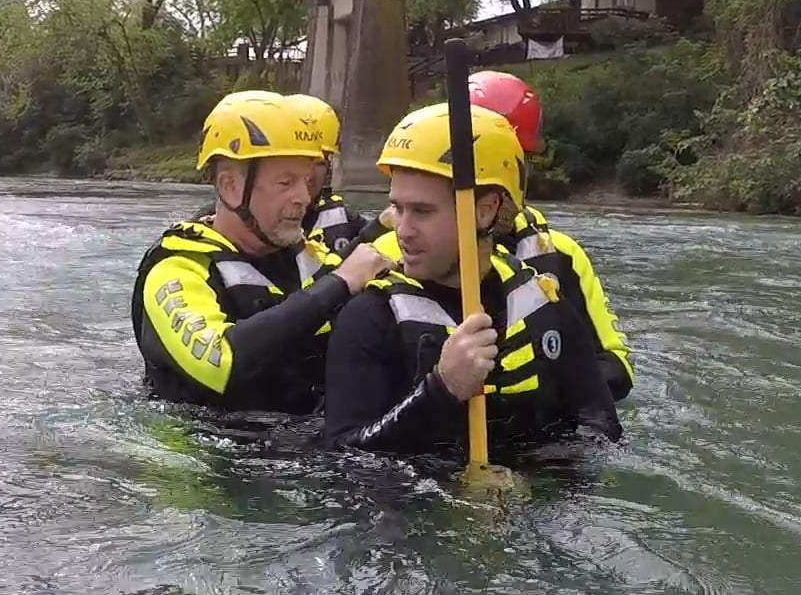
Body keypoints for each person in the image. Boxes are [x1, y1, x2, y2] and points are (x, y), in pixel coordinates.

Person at [322, 102, 623, 460]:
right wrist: (442, 389)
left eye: (422, 211)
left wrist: (537, 477)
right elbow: (343, 457)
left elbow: (600, 427)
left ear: (485, 210)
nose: (403, 230)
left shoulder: (545, 305)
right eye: (398, 208)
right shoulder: (370, 317)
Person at [372, 71, 637, 402]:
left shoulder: (559, 254)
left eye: (513, 163)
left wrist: (548, 387)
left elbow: (616, 366)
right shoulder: (393, 250)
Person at [130, 89, 393, 415]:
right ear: (230, 187)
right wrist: (340, 283)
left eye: (306, 181)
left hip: (299, 437)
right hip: (208, 445)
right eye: (286, 183)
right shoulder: (176, 270)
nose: (304, 198)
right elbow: (224, 363)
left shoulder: (309, 258)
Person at [284, 93, 371, 254]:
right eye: (299, 162)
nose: (309, 175)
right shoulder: (253, 230)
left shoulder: (343, 219)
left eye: (319, 163)